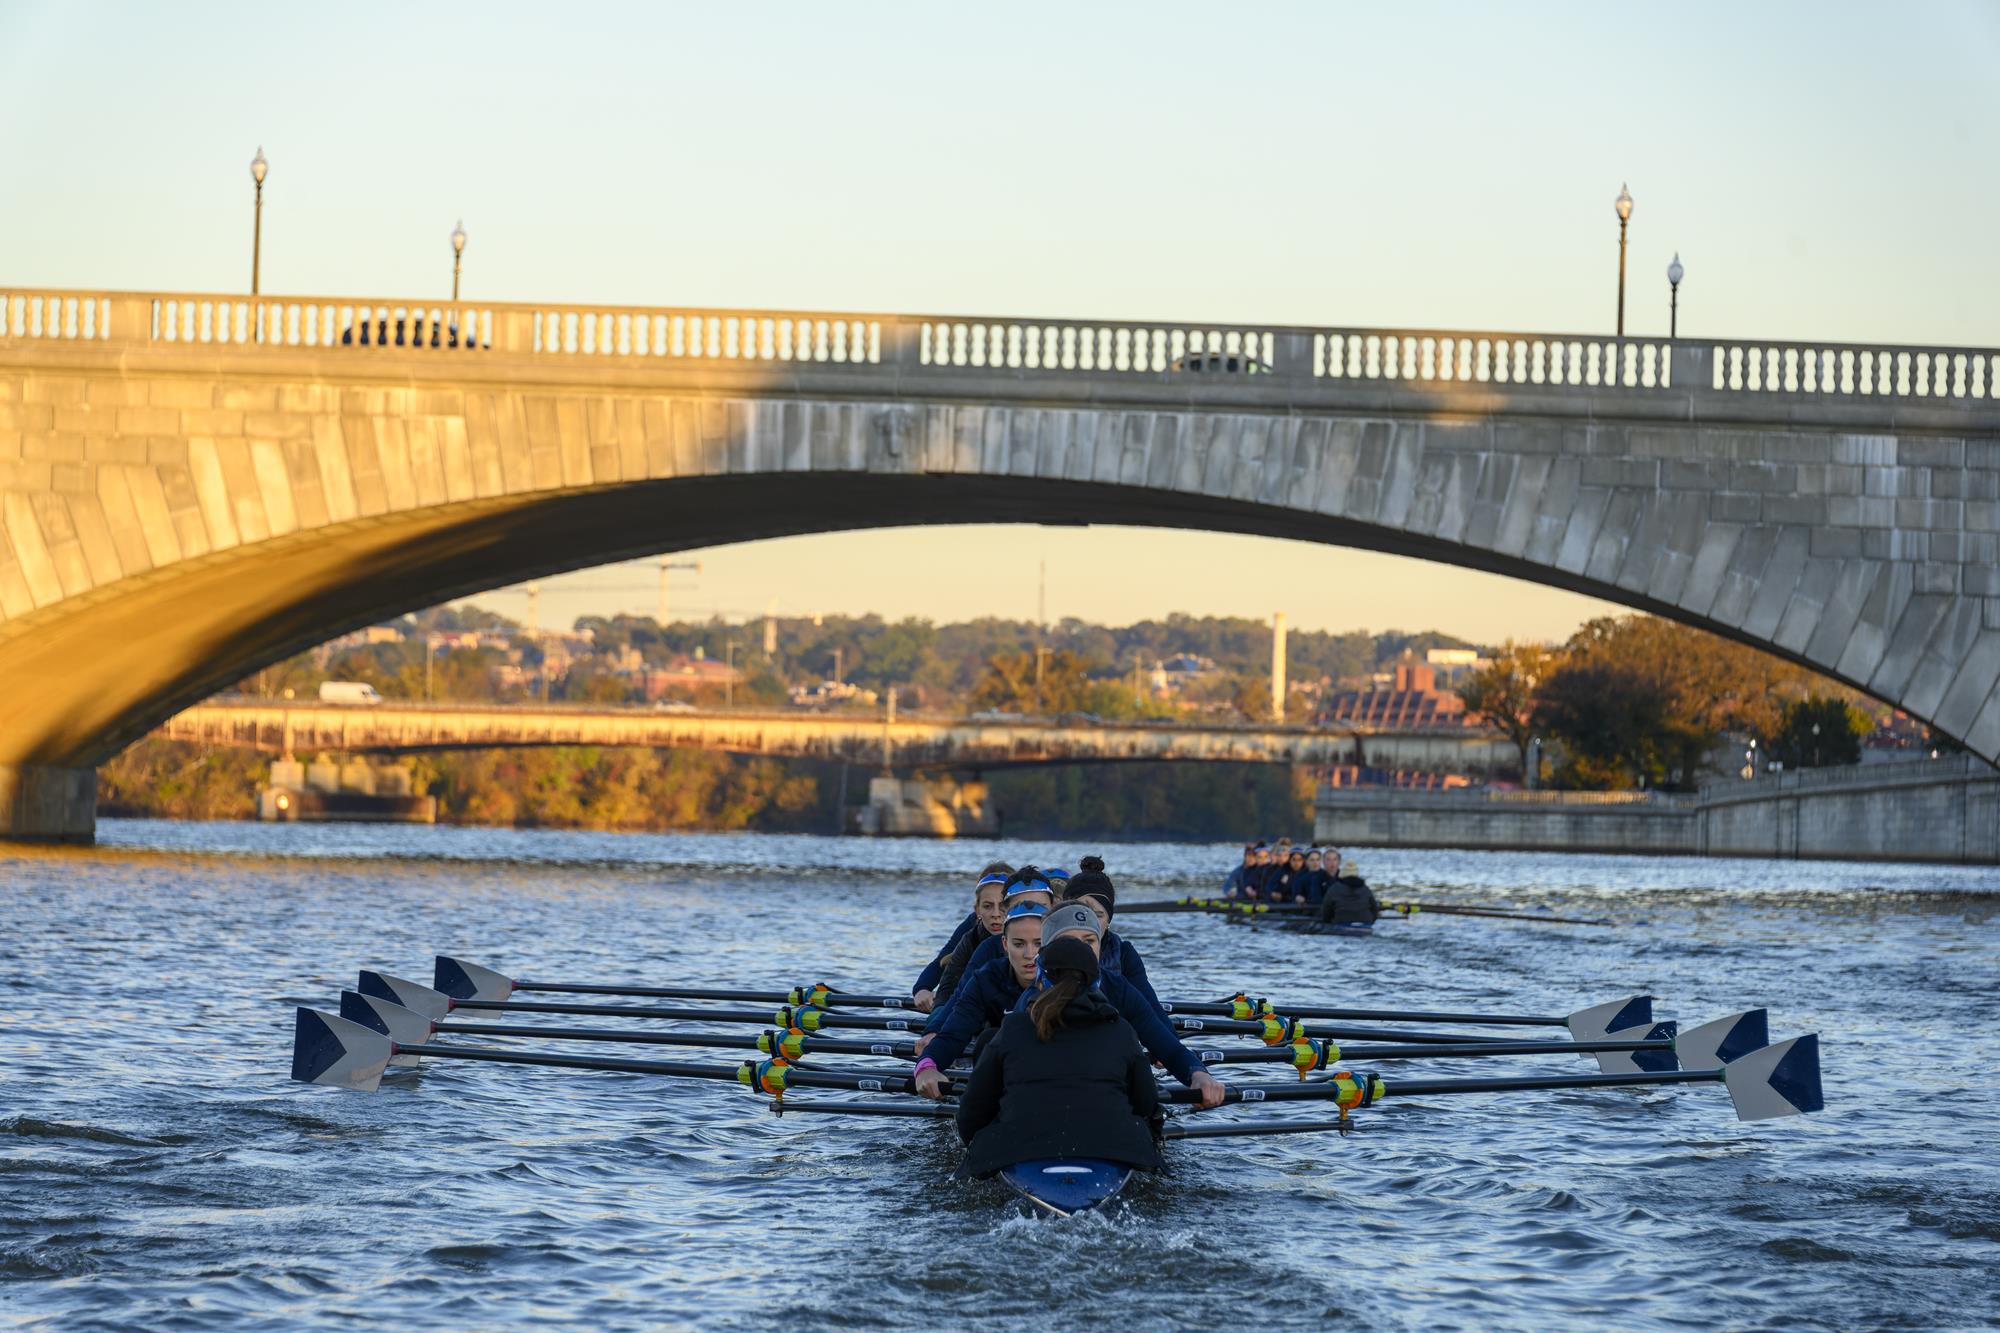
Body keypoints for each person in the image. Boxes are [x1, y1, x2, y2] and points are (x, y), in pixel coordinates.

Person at [913, 903, 1224, 1108]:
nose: (1079, 951)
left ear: (1100, 947)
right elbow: (953, 1037)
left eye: (1088, 942)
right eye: (1068, 941)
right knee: (985, 1041)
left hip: (1093, 1094)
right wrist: (927, 1067)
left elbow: (1164, 1043)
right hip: (1033, 1095)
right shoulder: (1005, 989)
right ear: (1047, 950)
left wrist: (1197, 1073)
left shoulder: (1118, 988)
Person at [951, 934, 1163, 1182]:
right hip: (1115, 1146)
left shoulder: (1013, 1027)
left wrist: (974, 1148)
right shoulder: (1121, 1030)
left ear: (1041, 979)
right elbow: (1147, 1104)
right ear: (1095, 981)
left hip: (1019, 1147)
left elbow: (973, 1107)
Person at [925, 868, 1055, 1024]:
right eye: (1022, 907)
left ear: (1053, 908)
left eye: (1040, 906)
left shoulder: (1068, 945)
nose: (1031, 914)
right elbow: (959, 993)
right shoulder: (985, 945)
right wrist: (935, 1026)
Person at [1061, 855, 1159, 1011]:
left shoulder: (1124, 953)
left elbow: (1151, 1009)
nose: (1089, 922)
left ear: (1108, 921)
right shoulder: (1042, 951)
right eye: (1082, 912)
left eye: (1098, 915)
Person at [912, 862, 1013, 1011]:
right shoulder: (971, 927)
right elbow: (944, 958)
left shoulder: (1029, 927)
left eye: (1002, 905)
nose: (995, 914)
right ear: (978, 908)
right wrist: (922, 989)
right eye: (987, 905)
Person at [1315, 854, 1383, 929]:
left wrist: (1328, 922)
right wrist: (1370, 921)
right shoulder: (1365, 889)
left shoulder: (1334, 888)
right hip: (1365, 924)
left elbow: (1326, 911)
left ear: (1343, 874)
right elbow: (1375, 910)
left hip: (1342, 924)